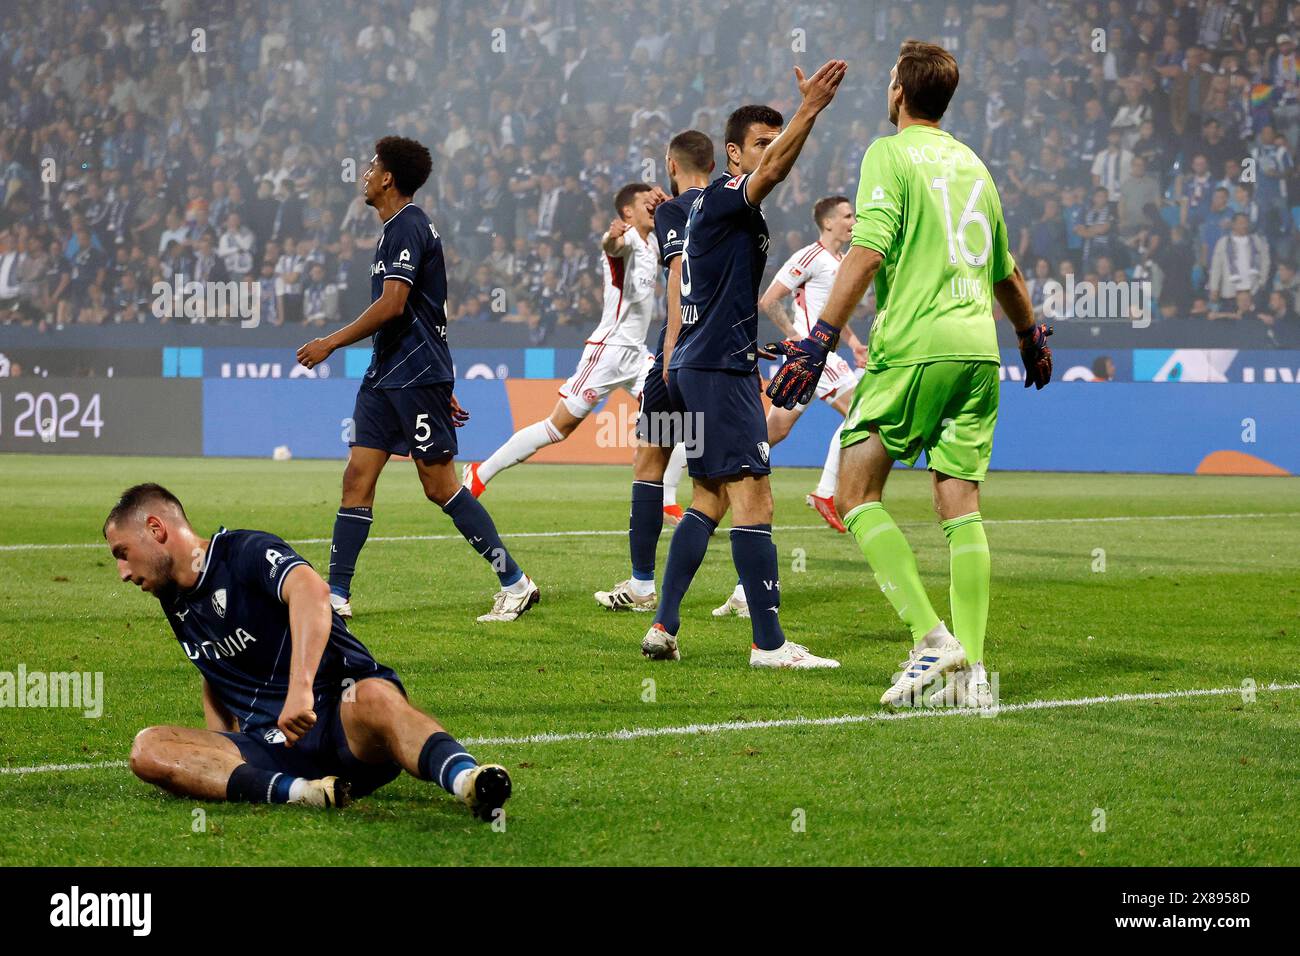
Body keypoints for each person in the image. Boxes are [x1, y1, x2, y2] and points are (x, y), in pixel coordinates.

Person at [766, 41, 1052, 707]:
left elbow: (866, 255)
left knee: (855, 492)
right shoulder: (973, 164)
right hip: (978, 350)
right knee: (961, 504)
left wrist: (819, 340)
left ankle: (930, 637)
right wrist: (1029, 335)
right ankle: (974, 676)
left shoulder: (887, 155)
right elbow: (1004, 270)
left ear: (898, 92)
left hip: (916, 344)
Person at [105, 483, 511, 820]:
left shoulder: (244, 552)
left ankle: (467, 780)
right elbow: (214, 667)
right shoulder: (173, 597)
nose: (123, 572)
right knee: (149, 749)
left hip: (341, 719)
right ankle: (302, 793)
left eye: (122, 553)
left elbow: (311, 590)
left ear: (156, 529)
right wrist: (221, 744)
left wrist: (300, 690)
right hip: (273, 746)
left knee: (373, 695)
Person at [641, 60, 848, 669]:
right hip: (714, 371)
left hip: (702, 364)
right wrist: (810, 107)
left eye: (774, 140)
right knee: (755, 496)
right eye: (761, 143)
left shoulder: (721, 209)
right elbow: (778, 171)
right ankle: (769, 644)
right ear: (733, 153)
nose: (773, 151)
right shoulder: (731, 196)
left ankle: (663, 624)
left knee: (709, 495)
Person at [296, 136, 539, 623]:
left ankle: (514, 582)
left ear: (388, 177)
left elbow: (394, 305)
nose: (364, 173)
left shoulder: (407, 225)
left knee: (440, 485)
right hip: (387, 375)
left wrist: (330, 342)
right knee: (356, 480)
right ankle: (337, 595)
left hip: (415, 374)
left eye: (371, 166)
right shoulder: (394, 229)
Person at [462, 181, 669, 495]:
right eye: (646, 203)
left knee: (671, 414)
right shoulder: (624, 239)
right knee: (558, 428)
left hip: (637, 355)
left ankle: (666, 498)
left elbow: (681, 238)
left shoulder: (653, 243)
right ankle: (480, 471)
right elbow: (610, 246)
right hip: (608, 352)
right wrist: (611, 237)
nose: (652, 208)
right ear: (627, 211)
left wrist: (668, 203)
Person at [593, 130, 714, 613]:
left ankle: (645, 586)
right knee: (718, 483)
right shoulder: (739, 202)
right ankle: (657, 592)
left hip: (680, 356)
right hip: (716, 359)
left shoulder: (672, 214)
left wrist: (667, 346)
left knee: (653, 466)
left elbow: (676, 271)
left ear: (670, 163)